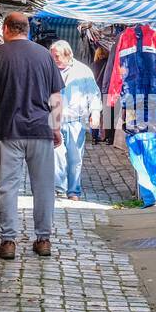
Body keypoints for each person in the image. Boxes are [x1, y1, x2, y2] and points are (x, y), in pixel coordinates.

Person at [0, 13, 64, 260]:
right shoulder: (45, 56)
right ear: (27, 29)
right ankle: (43, 239)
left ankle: (8, 242)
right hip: (41, 130)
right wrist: (56, 127)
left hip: (8, 131)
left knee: (8, 187)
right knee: (44, 187)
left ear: (6, 28)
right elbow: (56, 97)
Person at [49, 41, 102, 201]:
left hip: (75, 120)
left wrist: (95, 112)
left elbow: (94, 93)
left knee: (75, 157)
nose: (54, 59)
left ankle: (73, 191)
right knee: (56, 154)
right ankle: (59, 188)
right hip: (54, 119)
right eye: (52, 56)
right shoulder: (49, 68)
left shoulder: (82, 71)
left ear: (68, 55)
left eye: (56, 56)